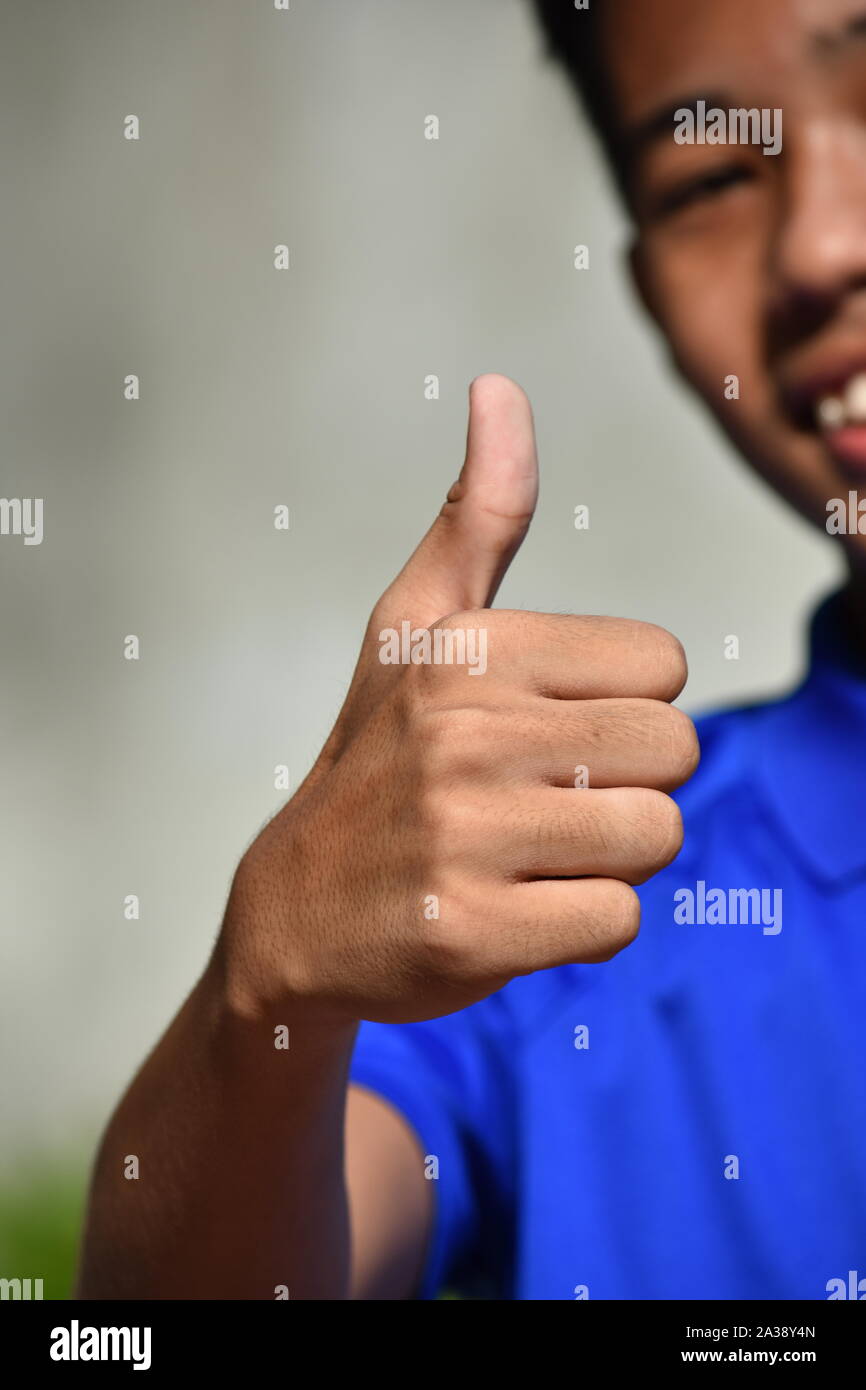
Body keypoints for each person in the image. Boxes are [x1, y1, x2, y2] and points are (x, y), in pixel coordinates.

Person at [76, 0, 866, 1300]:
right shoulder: (573, 914)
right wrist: (269, 992)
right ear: (648, 293)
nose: (820, 245)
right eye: (711, 173)